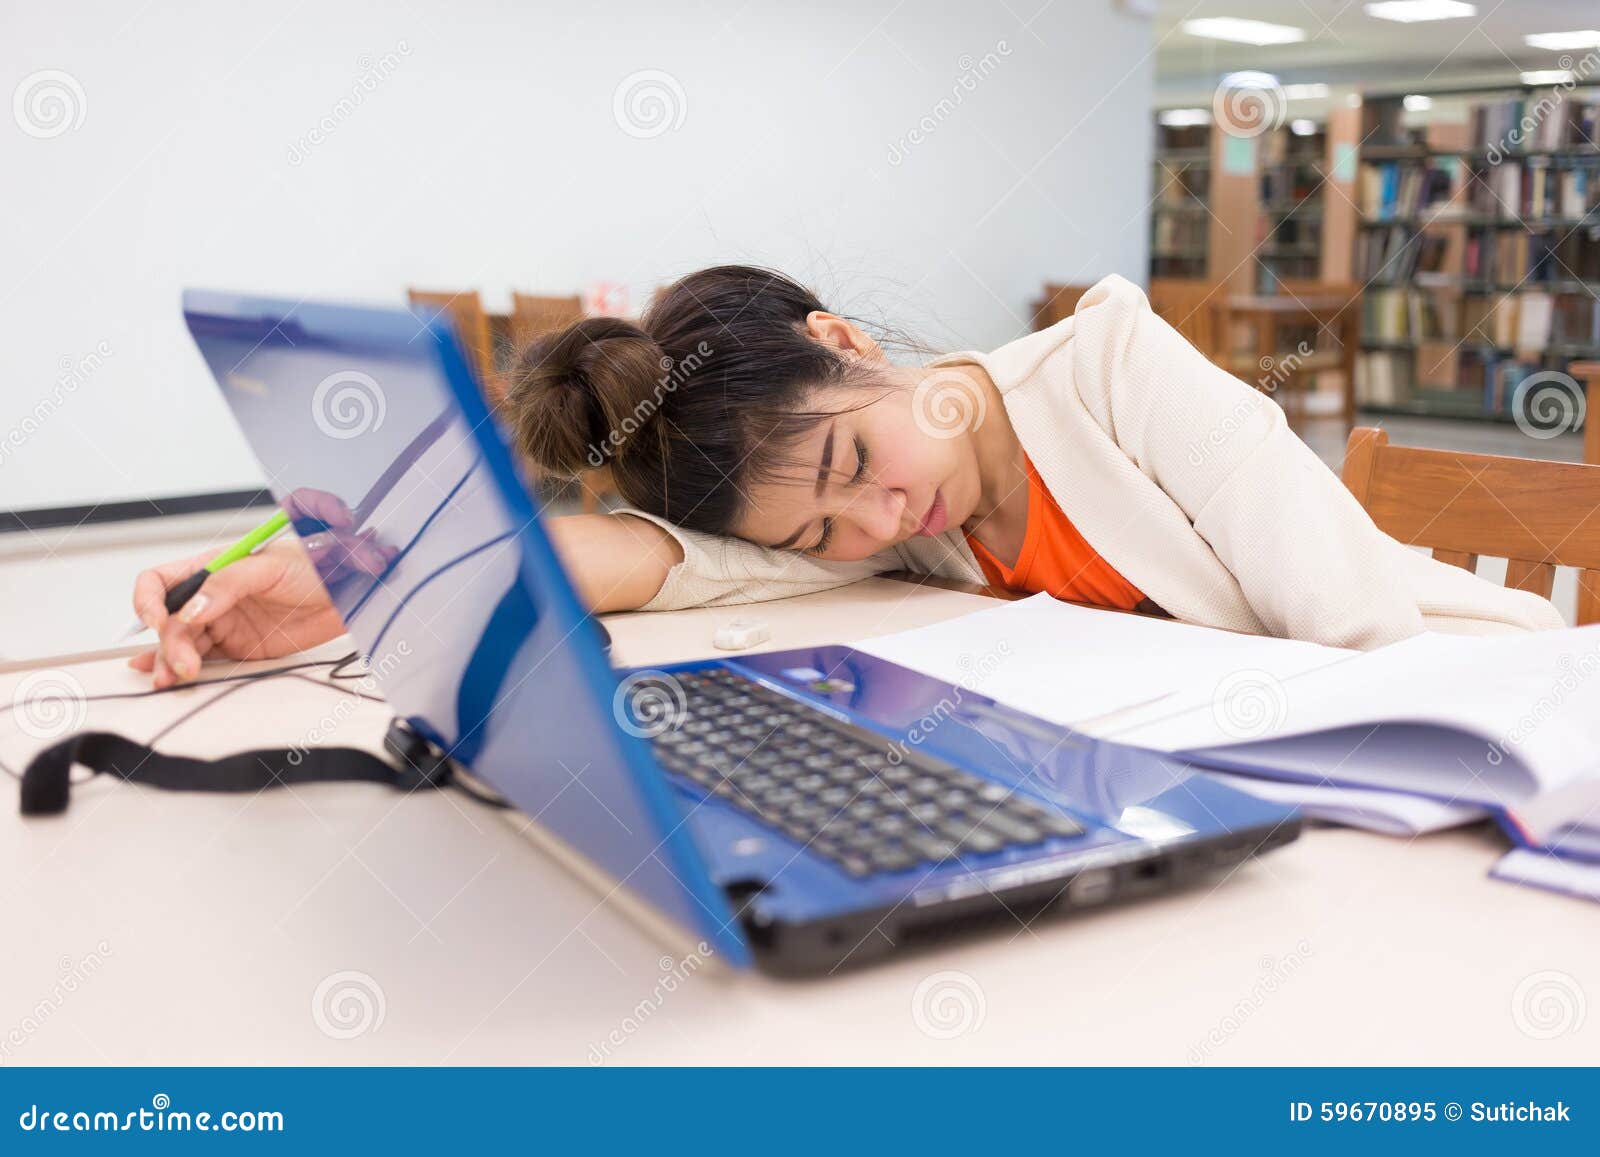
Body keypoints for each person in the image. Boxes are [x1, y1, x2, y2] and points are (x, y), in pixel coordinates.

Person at [131, 265, 1560, 688]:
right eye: (827, 523)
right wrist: (347, 573)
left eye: (856, 459)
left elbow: (1365, 640)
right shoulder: (900, 533)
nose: (881, 519)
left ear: (846, 342)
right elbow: (655, 562)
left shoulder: (1116, 365)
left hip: (1485, 704)